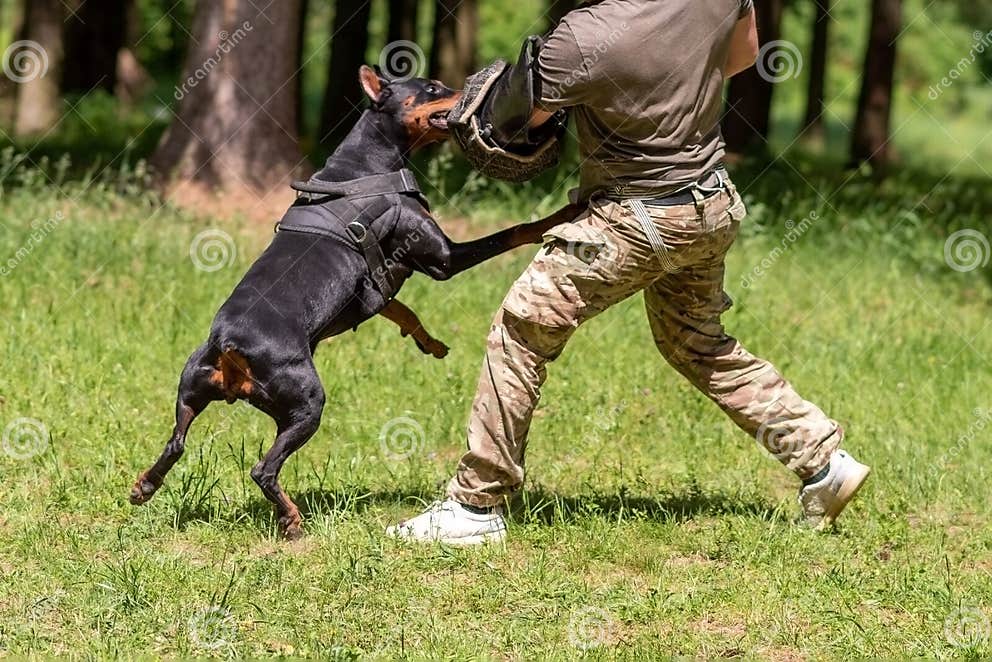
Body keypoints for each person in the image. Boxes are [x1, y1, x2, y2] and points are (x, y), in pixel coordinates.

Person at [388, 0, 870, 545]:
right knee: (698, 343)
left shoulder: (584, 35)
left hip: (633, 218)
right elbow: (741, 56)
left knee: (522, 327)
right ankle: (823, 461)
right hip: (709, 203)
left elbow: (519, 124)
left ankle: (475, 508)